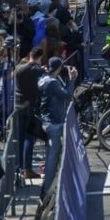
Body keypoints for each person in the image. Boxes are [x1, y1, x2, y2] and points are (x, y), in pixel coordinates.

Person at [37, 56, 79, 193]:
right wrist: (72, 79)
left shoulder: (45, 78)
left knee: (54, 153)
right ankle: (48, 188)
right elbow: (67, 95)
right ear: (59, 68)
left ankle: (51, 184)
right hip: (53, 122)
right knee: (53, 155)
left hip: (48, 120)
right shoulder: (51, 82)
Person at [13, 48, 45, 179]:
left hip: (18, 104)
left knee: (18, 138)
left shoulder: (19, 69)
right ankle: (27, 168)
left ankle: (18, 168)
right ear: (39, 57)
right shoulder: (39, 71)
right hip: (30, 105)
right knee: (29, 138)